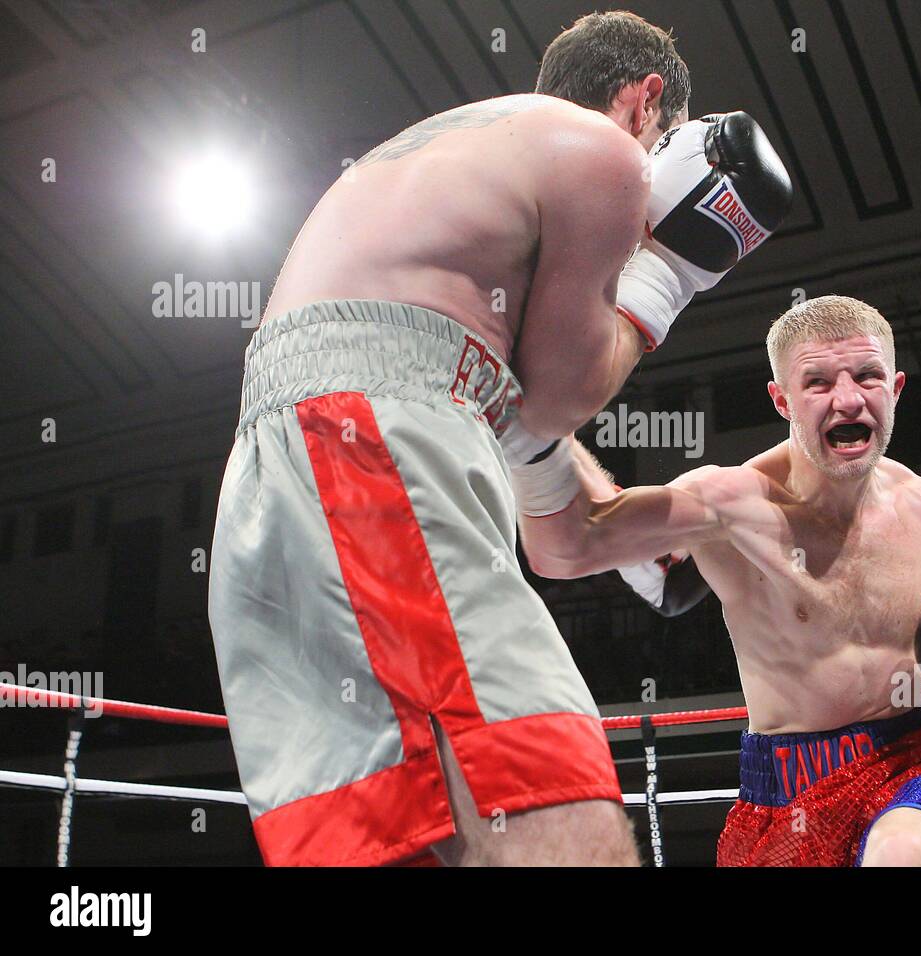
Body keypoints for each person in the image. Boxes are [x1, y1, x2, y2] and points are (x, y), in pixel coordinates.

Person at [208, 10, 792, 866]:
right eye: (664, 138)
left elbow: (529, 464)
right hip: (373, 442)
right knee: (554, 798)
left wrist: (636, 539)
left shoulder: (453, 153)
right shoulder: (603, 153)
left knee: (393, 834)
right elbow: (558, 401)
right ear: (646, 102)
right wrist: (669, 270)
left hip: (281, 468)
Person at [515, 295, 921, 866]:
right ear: (781, 399)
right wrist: (529, 427)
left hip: (914, 760)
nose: (849, 398)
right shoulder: (731, 503)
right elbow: (567, 547)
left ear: (897, 387)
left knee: (904, 852)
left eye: (866, 375)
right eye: (818, 383)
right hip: (785, 789)